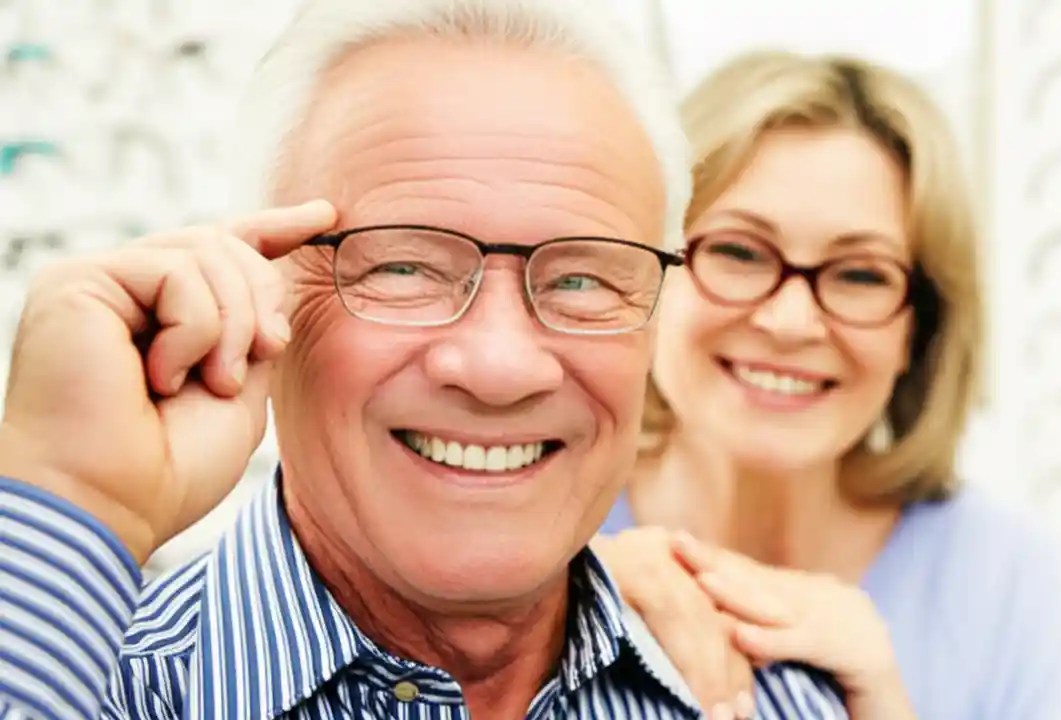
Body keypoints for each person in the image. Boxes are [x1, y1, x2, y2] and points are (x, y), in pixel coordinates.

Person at [0, 4, 846, 718]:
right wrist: (77, 499)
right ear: (260, 285)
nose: (501, 365)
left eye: (584, 277)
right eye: (402, 267)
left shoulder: (774, 704)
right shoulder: (90, 689)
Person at [593, 51, 1061, 720]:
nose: (791, 322)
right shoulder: (544, 528)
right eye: (738, 252)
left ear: (921, 329)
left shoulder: (1006, 584)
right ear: (651, 270)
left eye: (860, 275)